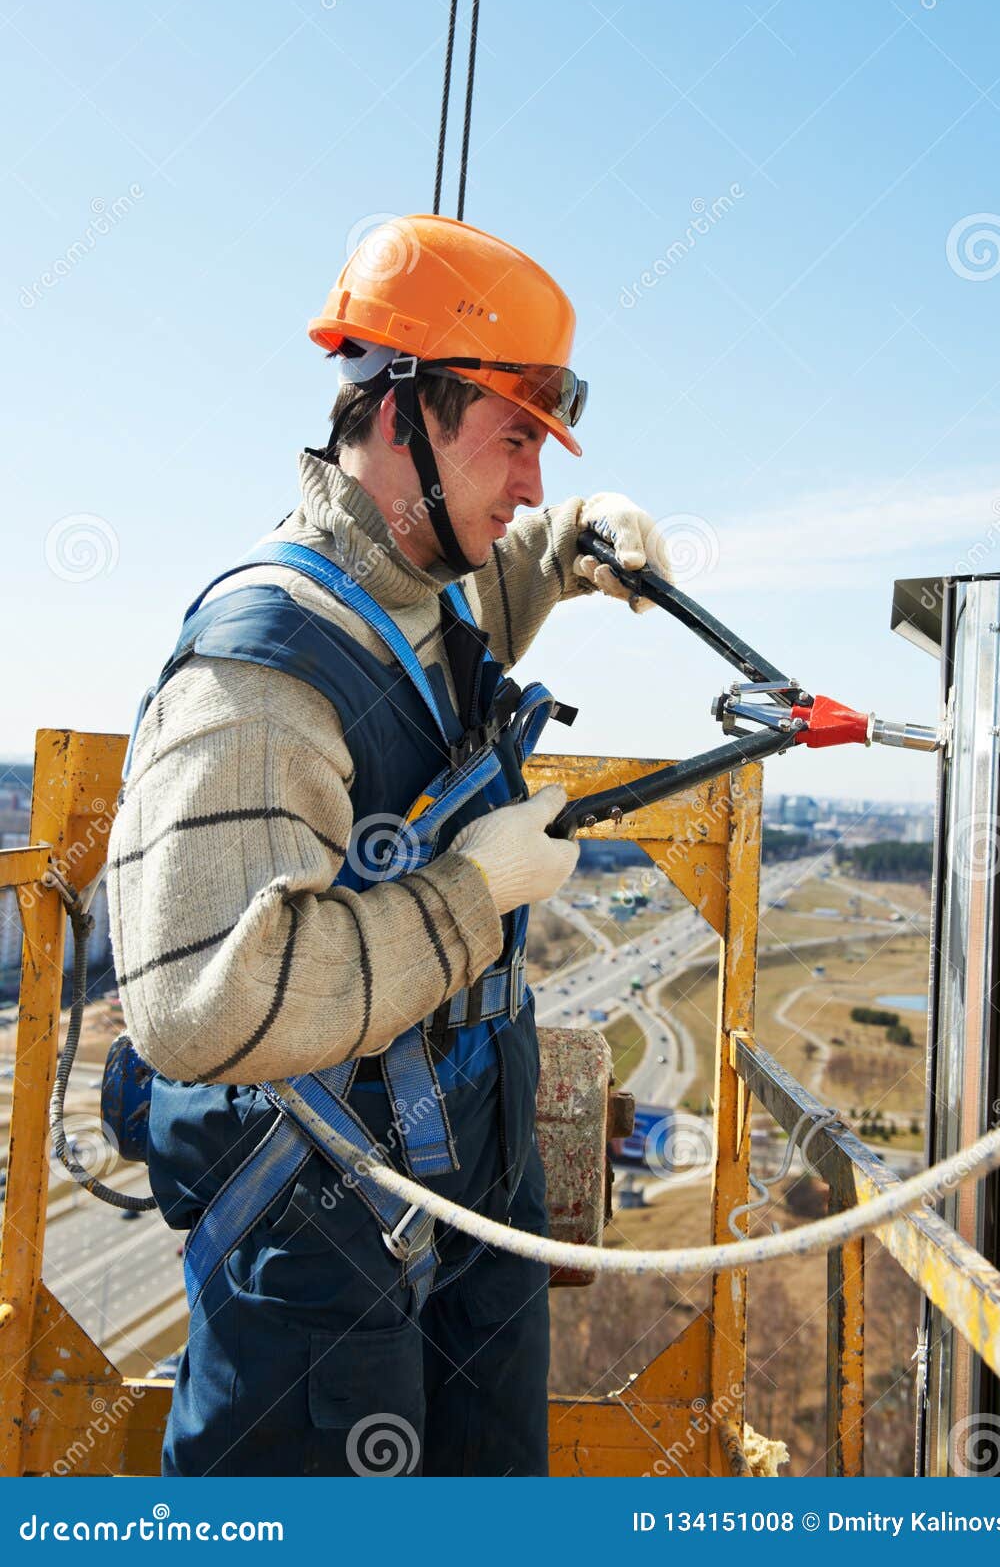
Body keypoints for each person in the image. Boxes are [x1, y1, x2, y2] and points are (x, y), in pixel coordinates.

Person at [109, 214, 672, 1477]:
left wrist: (583, 534)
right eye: (518, 438)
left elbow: (489, 586)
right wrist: (474, 898)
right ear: (403, 412)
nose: (528, 478)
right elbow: (205, 1006)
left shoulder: (428, 582)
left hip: (469, 1188)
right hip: (317, 1235)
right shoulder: (259, 678)